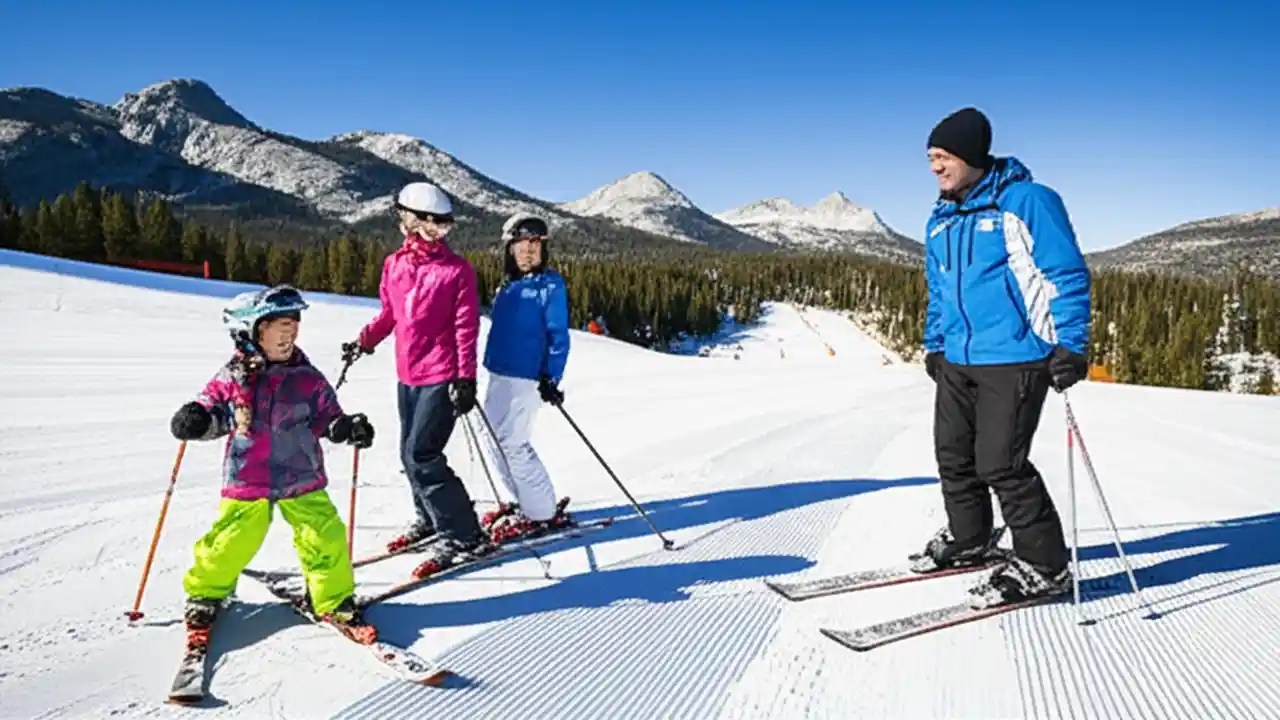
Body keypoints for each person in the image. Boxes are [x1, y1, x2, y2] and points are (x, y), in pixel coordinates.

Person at [916, 107, 1091, 608]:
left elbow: (1065, 273)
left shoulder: (1027, 201)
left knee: (1002, 465)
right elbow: (939, 290)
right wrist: (935, 344)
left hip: (1015, 357)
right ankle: (970, 539)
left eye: (943, 156)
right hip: (957, 358)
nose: (935, 166)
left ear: (971, 155)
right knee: (954, 458)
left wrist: (1072, 344)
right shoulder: (941, 216)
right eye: (930, 157)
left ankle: (1044, 566)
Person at [170, 285, 377, 647]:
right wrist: (197, 419)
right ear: (250, 334)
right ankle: (205, 593)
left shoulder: (307, 376)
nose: (289, 336)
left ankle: (333, 600)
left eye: (293, 328)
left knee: (323, 535)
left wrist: (345, 428)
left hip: (301, 472)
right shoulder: (233, 377)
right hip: (249, 474)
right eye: (278, 328)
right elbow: (214, 410)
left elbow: (327, 417)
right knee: (232, 538)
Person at [343, 181, 490, 577]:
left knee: (423, 455)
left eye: (445, 226)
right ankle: (428, 517)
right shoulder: (395, 265)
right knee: (407, 454)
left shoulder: (456, 271)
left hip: (442, 374)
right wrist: (363, 341)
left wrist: (465, 379)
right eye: (431, 224)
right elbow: (390, 314)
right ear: (408, 220)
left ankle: (465, 535)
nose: (438, 232)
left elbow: (465, 328)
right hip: (407, 375)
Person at [477, 213, 573, 542]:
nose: (529, 250)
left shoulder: (550, 285)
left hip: (527, 376)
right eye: (522, 244)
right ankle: (522, 500)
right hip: (499, 371)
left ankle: (542, 511)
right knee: (492, 437)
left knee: (514, 443)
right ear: (511, 248)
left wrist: (551, 376)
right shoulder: (509, 284)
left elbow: (558, 335)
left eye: (536, 244)